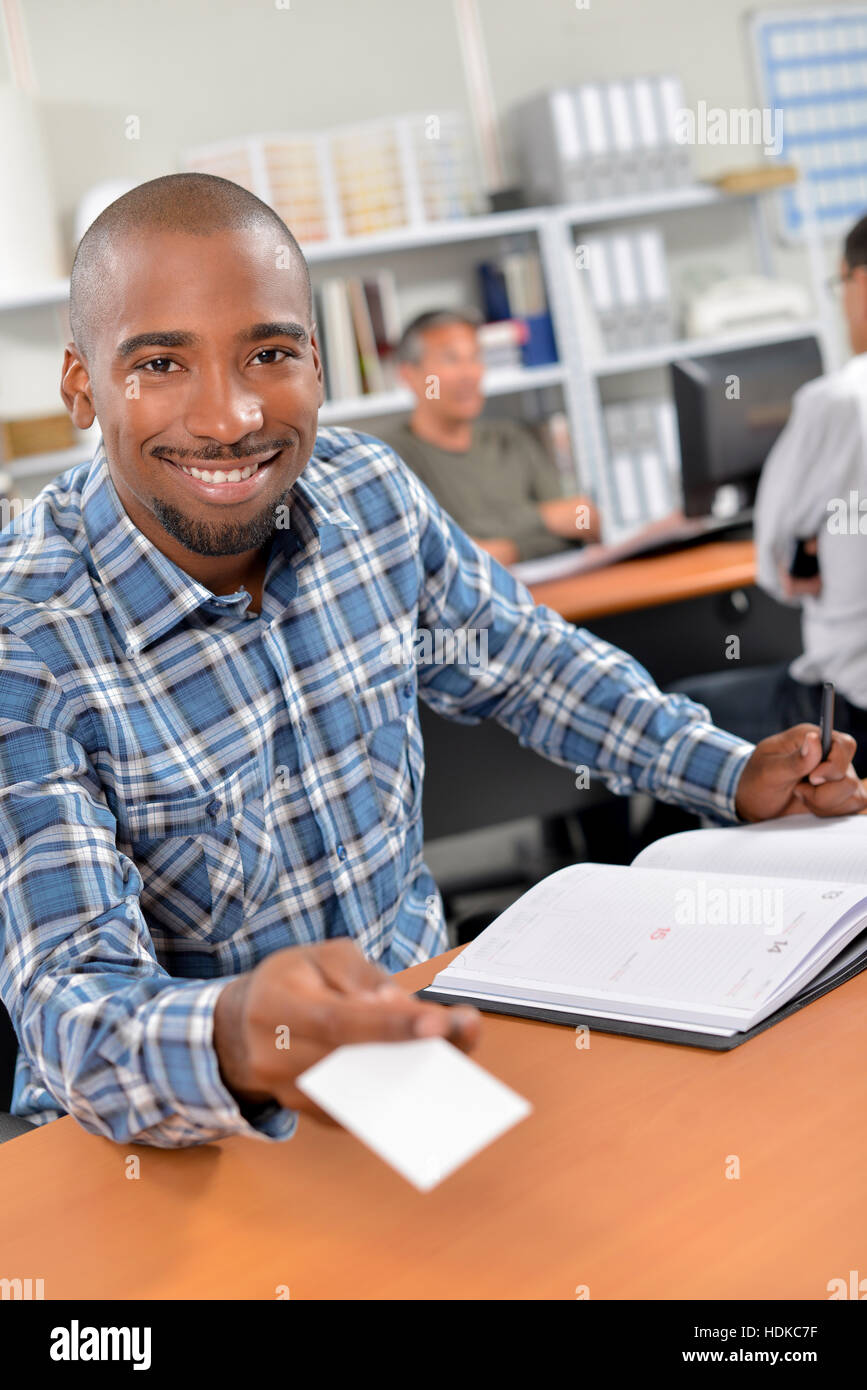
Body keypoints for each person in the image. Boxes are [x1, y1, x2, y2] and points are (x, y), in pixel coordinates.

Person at [0, 174, 863, 1150]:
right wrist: (242, 1033)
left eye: (270, 353)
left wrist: (729, 772)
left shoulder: (367, 496)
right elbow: (72, 1002)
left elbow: (534, 666)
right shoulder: (26, 638)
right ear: (79, 385)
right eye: (161, 362)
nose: (231, 414)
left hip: (425, 1067)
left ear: (318, 362)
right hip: (186, 1141)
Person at [665, 212, 867, 775]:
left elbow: (777, 568)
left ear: (861, 282)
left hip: (849, 714)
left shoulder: (841, 400)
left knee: (676, 714)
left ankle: (652, 860)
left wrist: (802, 554)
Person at [381, 309, 600, 564]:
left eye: (475, 357)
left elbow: (580, 522)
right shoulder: (392, 457)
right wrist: (543, 520)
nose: (469, 374)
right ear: (408, 375)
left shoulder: (511, 439)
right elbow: (430, 555)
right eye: (451, 360)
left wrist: (508, 550)